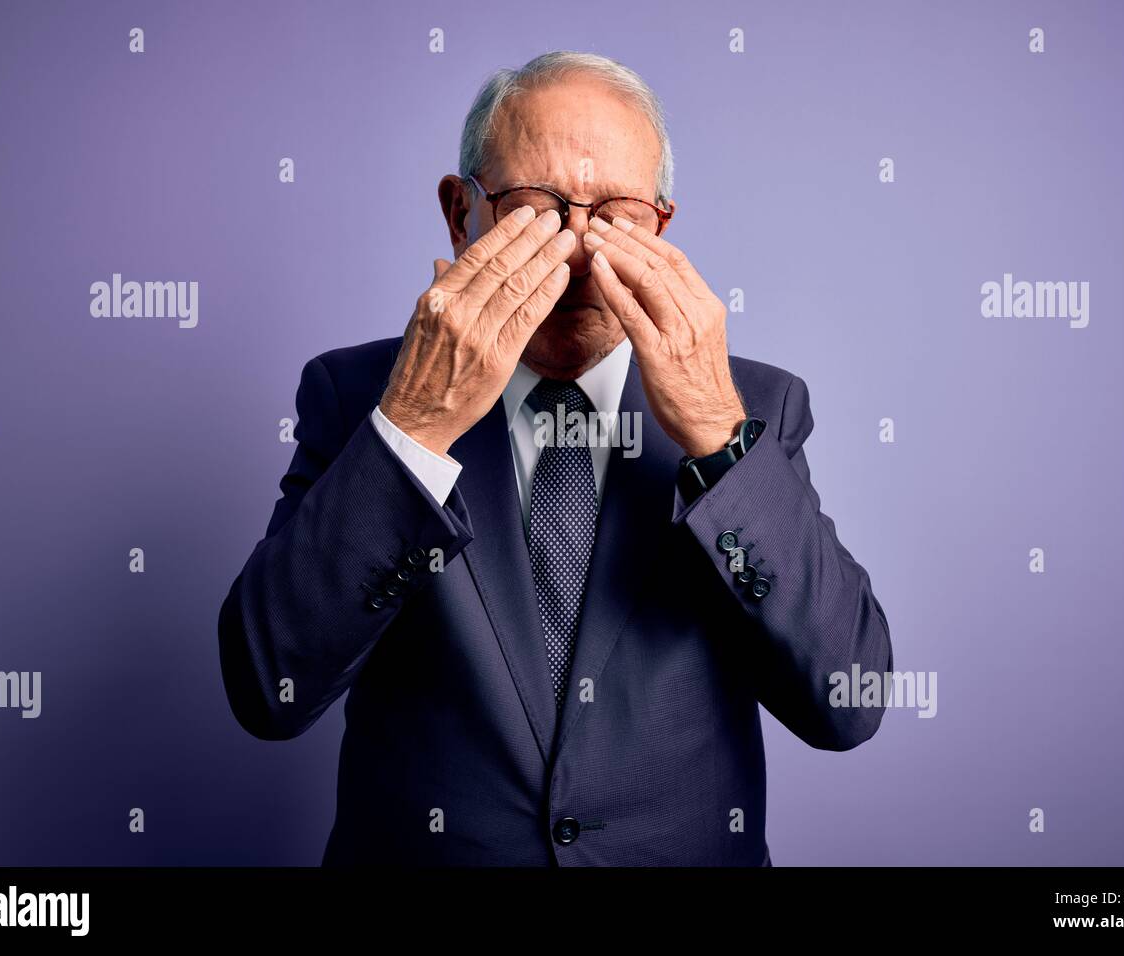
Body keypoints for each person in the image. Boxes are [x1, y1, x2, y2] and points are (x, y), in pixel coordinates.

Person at [218, 50, 892, 866]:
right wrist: (414, 425)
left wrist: (717, 433)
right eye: (535, 209)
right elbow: (266, 689)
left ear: (662, 227)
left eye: (615, 214)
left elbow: (847, 704)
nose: (576, 253)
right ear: (459, 213)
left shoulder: (760, 408)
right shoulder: (357, 393)